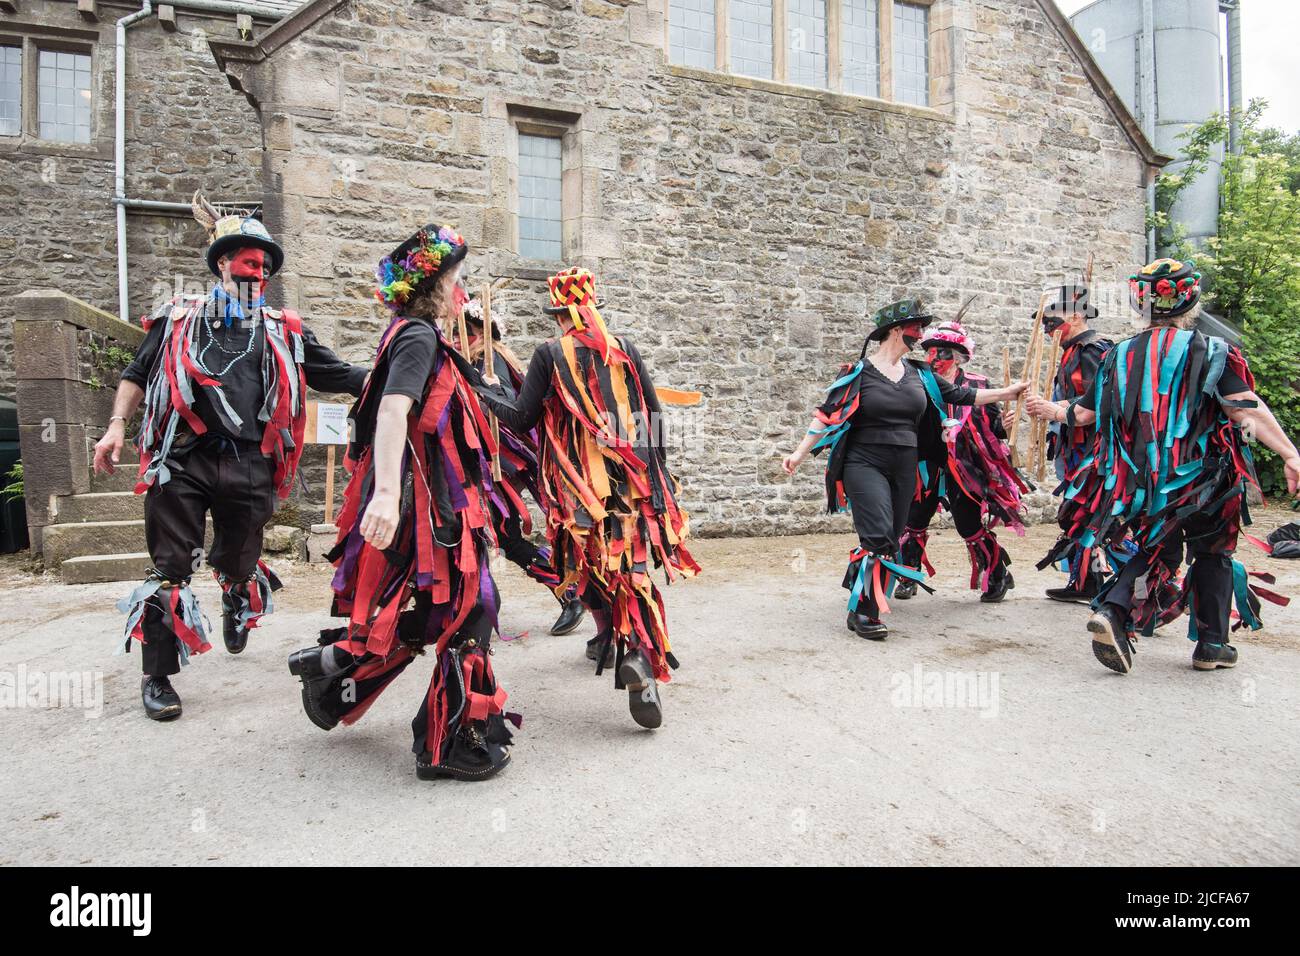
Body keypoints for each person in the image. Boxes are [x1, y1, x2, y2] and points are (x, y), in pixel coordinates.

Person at [94, 193, 367, 721]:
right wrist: (115, 427)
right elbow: (137, 373)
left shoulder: (283, 330)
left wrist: (400, 373)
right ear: (222, 262)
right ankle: (158, 676)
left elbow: (337, 373)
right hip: (182, 460)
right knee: (171, 567)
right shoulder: (178, 319)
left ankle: (238, 594)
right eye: (248, 260)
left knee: (240, 556)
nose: (258, 271)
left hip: (250, 463)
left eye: (265, 265)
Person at [286, 225, 516, 780]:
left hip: (431, 504)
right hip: (424, 509)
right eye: (456, 281)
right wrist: (387, 495)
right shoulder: (417, 336)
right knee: (474, 608)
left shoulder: (410, 334)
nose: (461, 294)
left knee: (454, 610)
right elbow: (392, 410)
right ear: (433, 283)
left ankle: (335, 674)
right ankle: (450, 744)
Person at [1026, 258, 1298, 674]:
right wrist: (1290, 453)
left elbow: (1084, 414)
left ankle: (1115, 613)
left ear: (1140, 304)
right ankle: (1211, 643)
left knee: (1158, 549)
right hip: (1204, 478)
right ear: (1190, 302)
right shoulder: (1210, 350)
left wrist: (1053, 412)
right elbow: (1245, 409)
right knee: (1212, 552)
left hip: (1141, 481)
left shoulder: (1118, 356)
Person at [460, 267, 699, 730]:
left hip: (579, 491)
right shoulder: (623, 348)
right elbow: (651, 411)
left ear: (559, 315)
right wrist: (659, 474)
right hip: (633, 479)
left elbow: (522, 417)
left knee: (584, 563)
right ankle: (636, 659)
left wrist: (485, 390)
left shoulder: (549, 354)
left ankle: (609, 633)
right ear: (591, 307)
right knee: (632, 570)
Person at [782, 299, 1027, 640]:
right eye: (916, 328)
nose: (921, 335)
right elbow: (826, 415)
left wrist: (1009, 393)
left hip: (906, 467)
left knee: (892, 537)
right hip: (864, 463)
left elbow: (963, 394)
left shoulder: (920, 374)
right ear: (896, 331)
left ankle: (860, 606)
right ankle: (868, 614)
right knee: (879, 534)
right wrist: (798, 453)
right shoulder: (857, 372)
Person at [458, 294, 586, 637]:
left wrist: (481, 388)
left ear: (480, 334)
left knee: (505, 538)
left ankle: (568, 591)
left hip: (493, 469)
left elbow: (510, 409)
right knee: (495, 537)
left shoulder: (489, 361)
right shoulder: (485, 361)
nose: (457, 340)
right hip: (482, 468)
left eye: (464, 333)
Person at [894, 315, 1027, 604]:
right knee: (914, 519)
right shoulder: (919, 382)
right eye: (930, 351)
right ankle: (908, 573)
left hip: (966, 465)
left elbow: (994, 432)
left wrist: (1003, 424)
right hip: (926, 462)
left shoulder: (978, 384)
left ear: (958, 357)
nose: (935, 358)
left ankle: (996, 573)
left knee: (968, 523)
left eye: (942, 352)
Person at [1029, 285, 1117, 604]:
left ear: (1077, 316)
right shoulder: (1070, 352)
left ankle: (1150, 586)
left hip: (1095, 450)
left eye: (1053, 319)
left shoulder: (1094, 350)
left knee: (1098, 516)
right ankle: (1084, 580)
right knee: (1078, 515)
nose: (1047, 327)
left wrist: (1053, 408)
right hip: (1075, 448)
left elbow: (1099, 402)